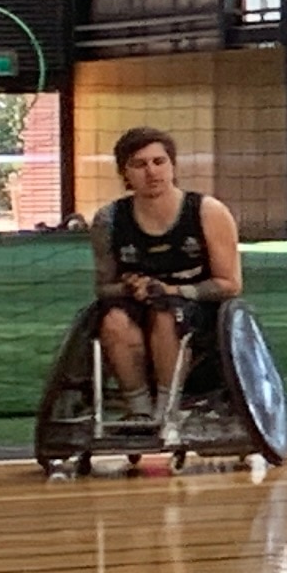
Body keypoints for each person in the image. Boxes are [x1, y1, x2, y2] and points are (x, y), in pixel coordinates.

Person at [90, 126, 243, 437]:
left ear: (173, 166)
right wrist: (129, 287)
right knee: (114, 321)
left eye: (159, 162)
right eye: (139, 164)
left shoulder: (207, 211)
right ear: (125, 173)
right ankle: (139, 411)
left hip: (198, 309)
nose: (151, 172)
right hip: (136, 304)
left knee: (165, 311)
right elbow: (103, 287)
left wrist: (173, 290)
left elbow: (231, 284)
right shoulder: (108, 220)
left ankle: (166, 408)